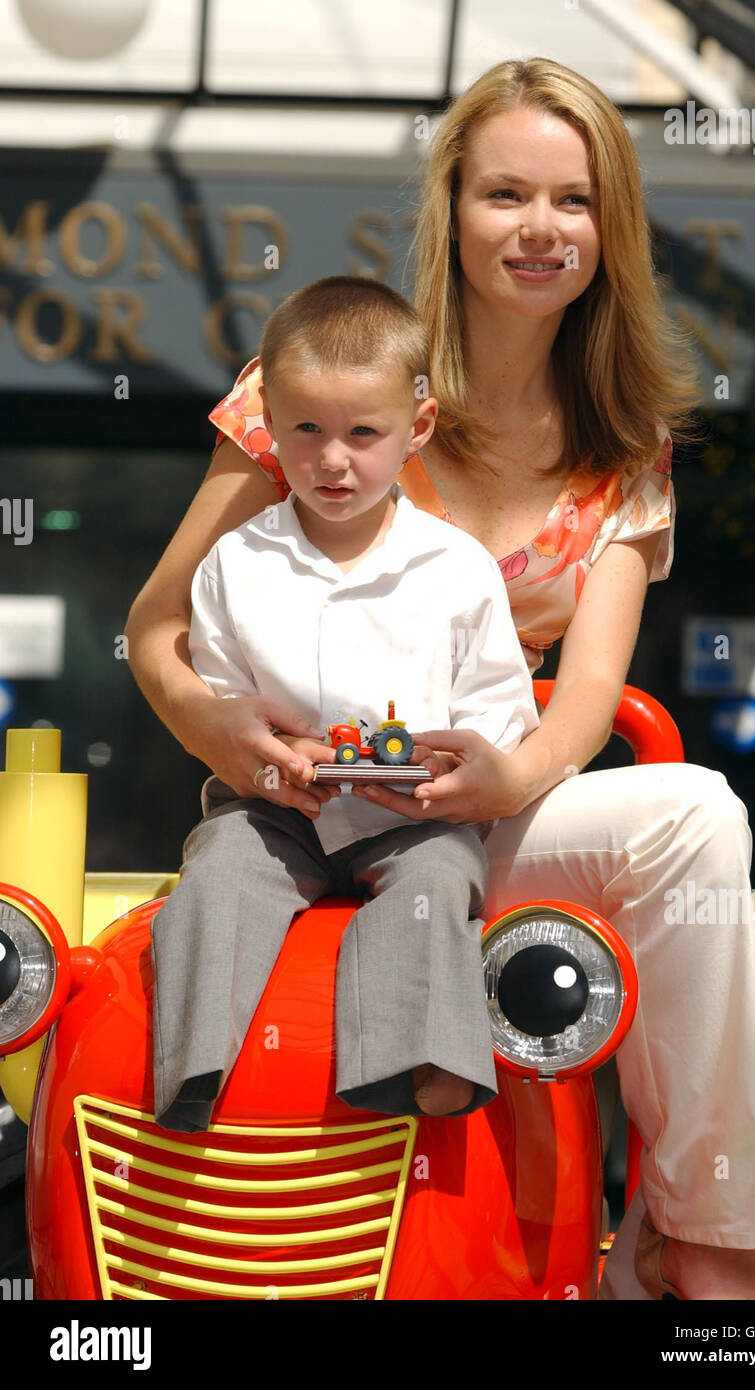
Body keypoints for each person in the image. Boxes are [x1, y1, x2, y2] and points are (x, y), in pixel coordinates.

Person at [126, 58, 755, 1299]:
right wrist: (215, 721)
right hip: (300, 807)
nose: (540, 228)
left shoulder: (624, 447)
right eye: (506, 192)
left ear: (610, 228)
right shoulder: (329, 387)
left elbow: (582, 710)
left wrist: (505, 772)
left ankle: (660, 1262)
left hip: (490, 808)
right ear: (452, 208)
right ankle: (713, 1270)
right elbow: (153, 629)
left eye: (573, 201)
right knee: (706, 835)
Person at [151, 276, 540, 1134]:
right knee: (215, 872)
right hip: (274, 808)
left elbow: (501, 710)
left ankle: (414, 1062)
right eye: (307, 431)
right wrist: (259, 755)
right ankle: (194, 1063)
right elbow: (221, 701)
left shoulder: (456, 566)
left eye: (364, 434)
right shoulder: (233, 563)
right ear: (271, 428)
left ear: (417, 429)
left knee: (438, 881)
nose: (333, 460)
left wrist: (455, 763)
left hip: (413, 813)